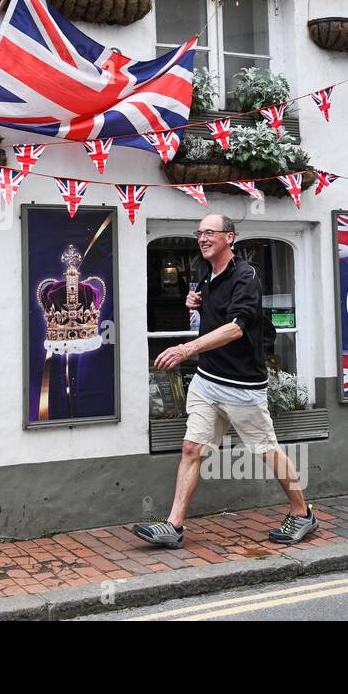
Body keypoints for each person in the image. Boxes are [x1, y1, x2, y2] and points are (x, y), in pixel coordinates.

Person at [133, 214, 318, 548]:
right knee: (192, 447)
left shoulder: (246, 277)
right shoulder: (206, 273)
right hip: (207, 381)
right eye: (199, 233)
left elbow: (236, 327)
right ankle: (174, 526)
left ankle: (302, 513)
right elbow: (214, 313)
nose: (202, 238)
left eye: (210, 233)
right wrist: (194, 303)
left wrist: (187, 347)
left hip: (242, 386)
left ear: (229, 237)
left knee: (266, 451)